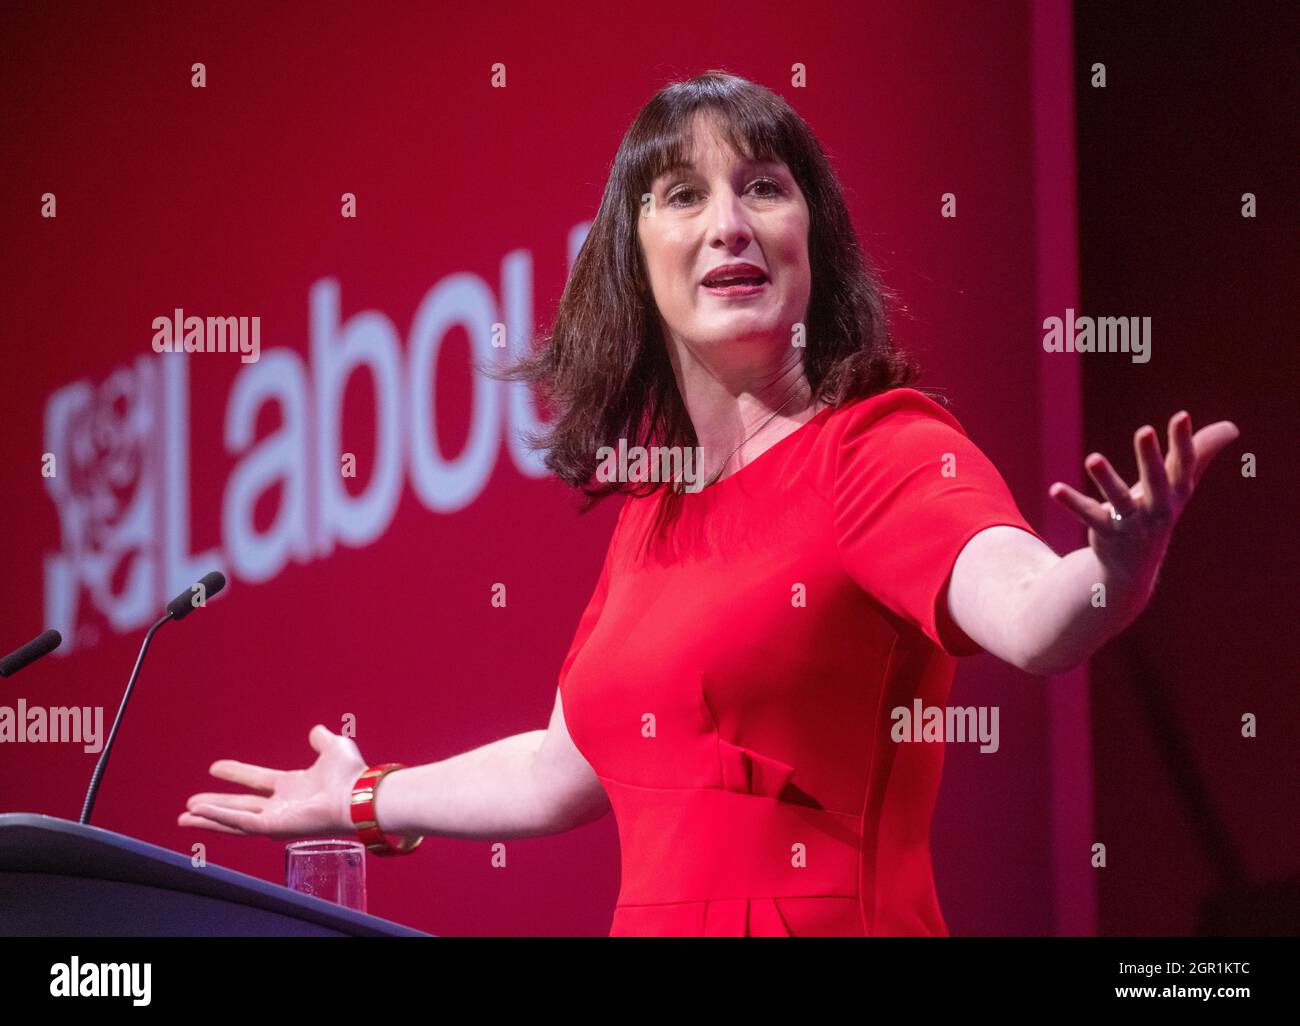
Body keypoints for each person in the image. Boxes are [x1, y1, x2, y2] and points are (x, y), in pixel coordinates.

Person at [180, 70, 1239, 936]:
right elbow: (562, 767)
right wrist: (363, 799)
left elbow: (1030, 615)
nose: (729, 223)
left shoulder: (877, 448)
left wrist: (1107, 570)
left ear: (809, 244)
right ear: (634, 266)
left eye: (764, 187)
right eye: (683, 195)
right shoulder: (657, 514)